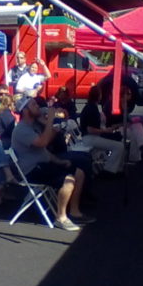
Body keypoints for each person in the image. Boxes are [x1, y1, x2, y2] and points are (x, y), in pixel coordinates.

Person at [11, 97, 94, 231]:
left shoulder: (33, 126)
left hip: (43, 165)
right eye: (33, 105)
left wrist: (59, 161)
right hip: (32, 171)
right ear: (25, 111)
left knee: (79, 172)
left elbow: (43, 151)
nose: (37, 106)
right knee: (69, 180)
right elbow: (43, 143)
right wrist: (49, 120)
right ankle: (61, 218)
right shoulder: (22, 129)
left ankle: (74, 211)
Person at [77, 85, 125, 174]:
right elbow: (90, 129)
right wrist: (105, 131)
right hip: (90, 138)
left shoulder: (91, 107)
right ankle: (109, 170)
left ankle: (115, 169)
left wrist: (108, 129)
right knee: (119, 146)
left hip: (91, 137)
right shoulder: (91, 109)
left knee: (118, 141)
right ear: (98, 96)